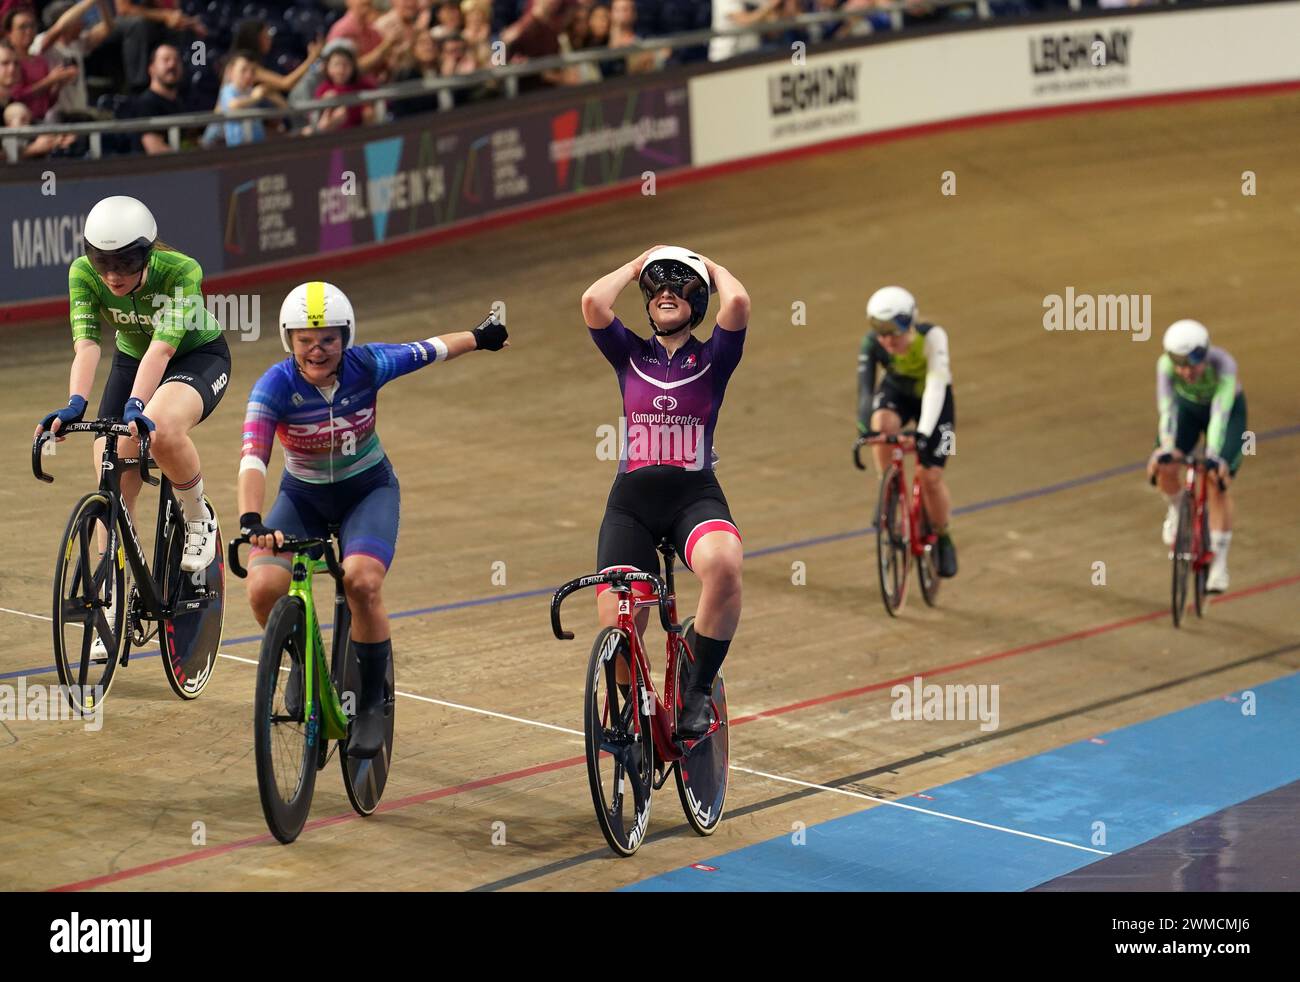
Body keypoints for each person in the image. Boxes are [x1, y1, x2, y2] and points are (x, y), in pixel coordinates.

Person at [237, 283, 509, 756]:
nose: (317, 350)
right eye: (305, 339)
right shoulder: (274, 386)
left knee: (361, 583)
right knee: (262, 587)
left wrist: (479, 337)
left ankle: (368, 706)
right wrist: (251, 519)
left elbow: (432, 350)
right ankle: (303, 663)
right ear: (289, 340)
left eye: (327, 339)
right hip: (302, 499)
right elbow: (253, 457)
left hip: (368, 491)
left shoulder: (369, 364)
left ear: (346, 338)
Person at [34, 196, 230, 658]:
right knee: (108, 458)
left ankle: (198, 517)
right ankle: (112, 590)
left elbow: (162, 351)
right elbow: (87, 347)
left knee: (157, 428)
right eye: (103, 263)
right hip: (131, 358)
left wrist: (138, 407)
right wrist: (74, 404)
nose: (113, 275)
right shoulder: (83, 273)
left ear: (147, 254)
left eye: (125, 262)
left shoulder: (181, 272)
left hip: (195, 356)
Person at [581, 246, 749, 739]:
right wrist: (636, 266)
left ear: (698, 302)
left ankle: (696, 689)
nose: (668, 294)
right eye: (659, 288)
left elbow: (737, 305)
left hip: (693, 495)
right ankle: (634, 708)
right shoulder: (630, 353)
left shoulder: (714, 358)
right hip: (632, 503)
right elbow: (594, 301)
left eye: (680, 286)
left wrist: (709, 267)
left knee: (725, 565)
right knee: (618, 621)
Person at [857, 285, 958, 577]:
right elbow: (865, 390)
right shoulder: (873, 342)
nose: (887, 340)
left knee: (931, 479)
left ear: (909, 322)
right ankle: (887, 489)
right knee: (881, 425)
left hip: (935, 400)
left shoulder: (933, 337)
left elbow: (936, 387)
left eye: (894, 333)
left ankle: (943, 535)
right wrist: (864, 429)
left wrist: (924, 432)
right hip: (897, 393)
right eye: (880, 332)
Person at [1148, 319, 1246, 593]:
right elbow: (1167, 410)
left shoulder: (1224, 365)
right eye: (1178, 364)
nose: (1185, 371)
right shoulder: (1165, 367)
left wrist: (1213, 455)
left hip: (1225, 412)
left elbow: (1220, 415)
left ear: (1205, 353)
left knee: (1216, 479)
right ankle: (1178, 508)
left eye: (1191, 364)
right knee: (1164, 465)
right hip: (1187, 411)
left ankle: (1219, 563)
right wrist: (1168, 447)